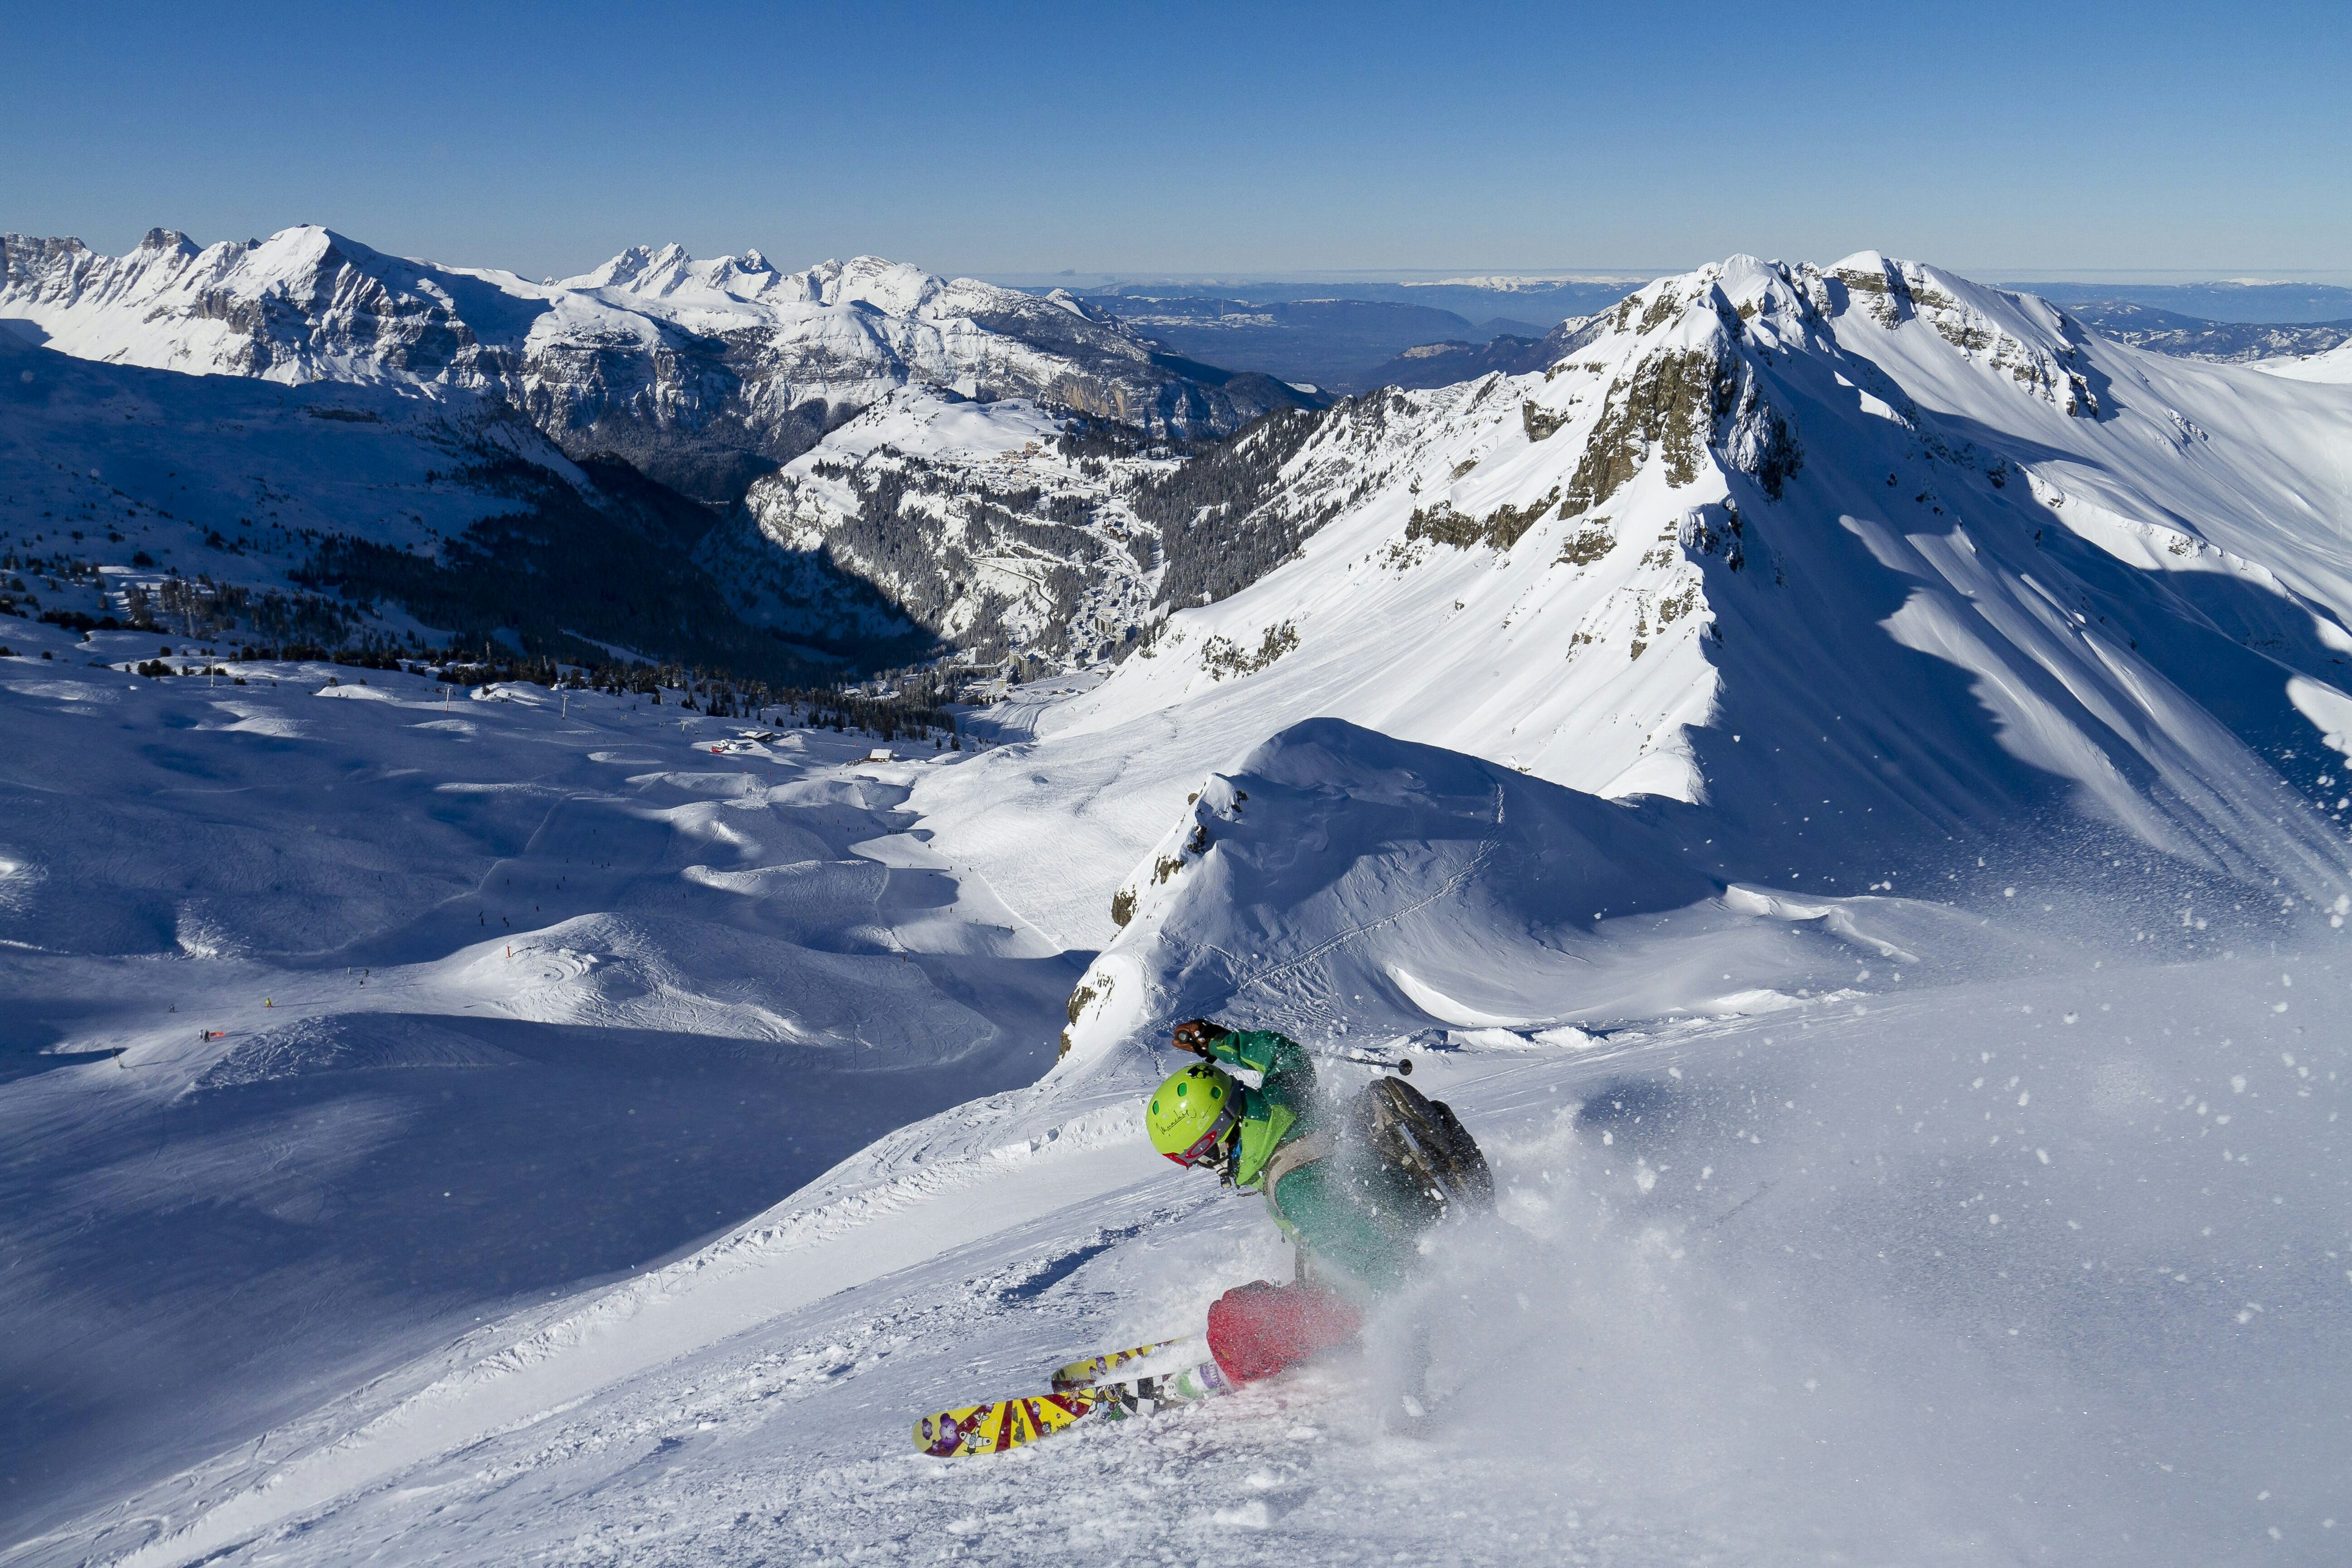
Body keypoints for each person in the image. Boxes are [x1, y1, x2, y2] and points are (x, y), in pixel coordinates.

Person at [1146, 1017, 1452, 1391]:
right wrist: (1222, 1042)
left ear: (1218, 1141)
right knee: (1255, 1300)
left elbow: (1396, 1280)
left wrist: (1410, 1394)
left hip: (1387, 1283)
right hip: (1395, 1230)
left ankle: (1244, 1358)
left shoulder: (1298, 1186)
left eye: (1199, 1157)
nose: (1208, 1168)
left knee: (1229, 1327)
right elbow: (1285, 1054)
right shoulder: (1283, 1098)